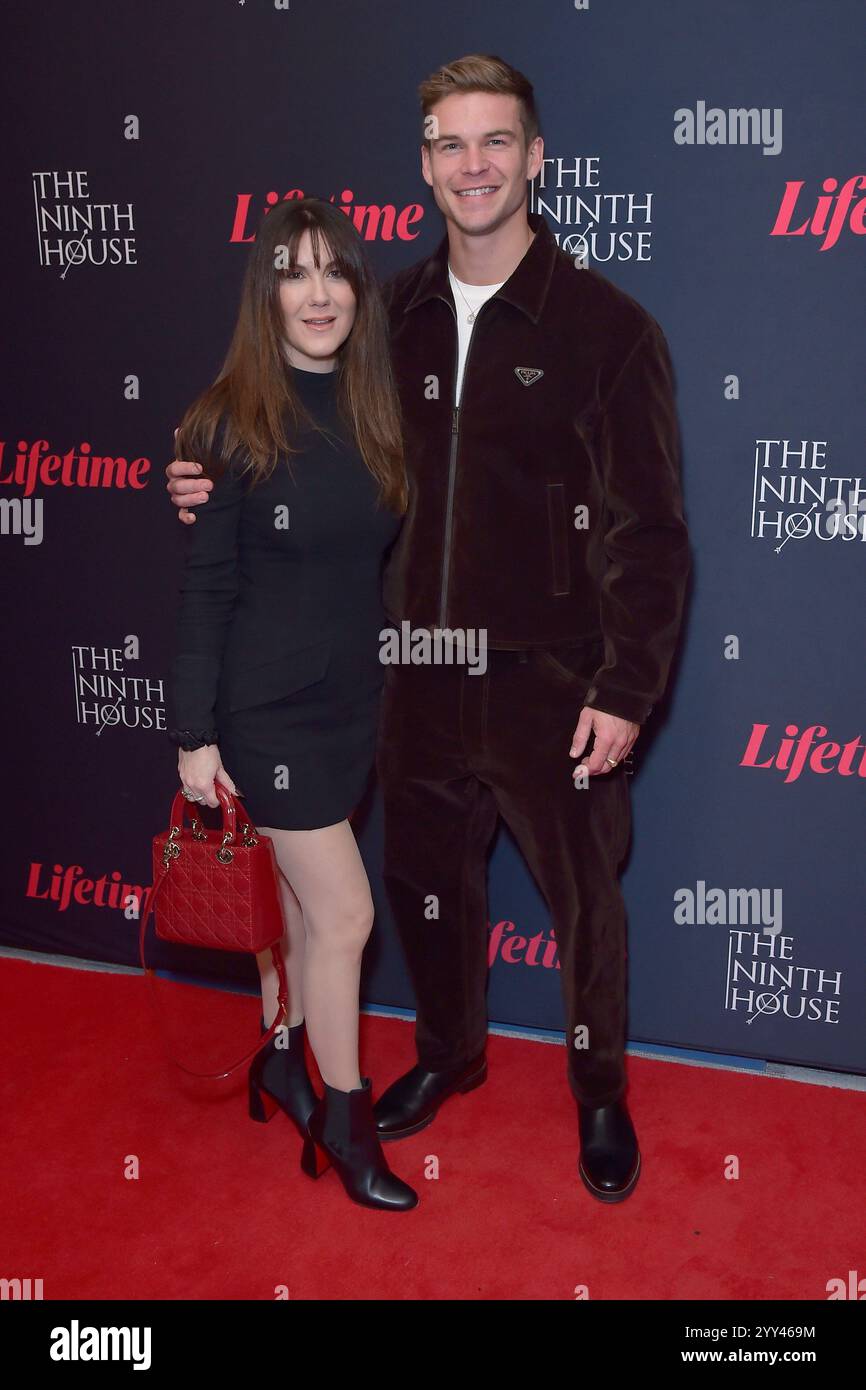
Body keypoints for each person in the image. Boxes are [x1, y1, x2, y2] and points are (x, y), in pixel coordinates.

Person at [167, 55, 691, 1204]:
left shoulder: (608, 330)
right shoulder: (382, 318)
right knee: (426, 890)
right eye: (448, 144)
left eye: (493, 141)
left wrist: (626, 685)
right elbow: (283, 423)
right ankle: (447, 1056)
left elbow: (648, 533)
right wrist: (204, 477)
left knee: (583, 901)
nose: (472, 165)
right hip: (404, 671)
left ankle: (597, 1088)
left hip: (555, 679)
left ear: (534, 158)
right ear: (422, 165)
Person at [166, 195, 417, 1212]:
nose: (317, 293)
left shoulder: (371, 407)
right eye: (294, 271)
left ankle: (280, 1059)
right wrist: (193, 738)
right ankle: (347, 1125)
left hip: (352, 703)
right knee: (346, 912)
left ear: (356, 287)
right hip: (265, 712)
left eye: (334, 271)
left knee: (310, 918)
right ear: (265, 290)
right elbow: (205, 591)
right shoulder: (225, 418)